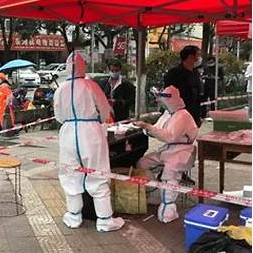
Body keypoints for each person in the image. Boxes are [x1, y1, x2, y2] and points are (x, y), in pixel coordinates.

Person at [54, 52, 125, 232]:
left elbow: (59, 116)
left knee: (70, 173)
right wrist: (98, 119)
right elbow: (104, 110)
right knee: (98, 173)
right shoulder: (90, 85)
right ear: (83, 66)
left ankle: (73, 216)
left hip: (68, 132)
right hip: (90, 132)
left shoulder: (60, 88)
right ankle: (104, 219)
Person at [135, 86, 198, 224]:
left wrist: (148, 127)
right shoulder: (168, 114)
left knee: (170, 177)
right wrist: (147, 129)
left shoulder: (183, 115)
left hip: (182, 151)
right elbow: (158, 129)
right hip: (168, 150)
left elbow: (169, 136)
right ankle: (155, 189)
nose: (160, 102)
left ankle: (168, 209)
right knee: (142, 163)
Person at [164, 45, 203, 127]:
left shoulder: (195, 73)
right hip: (179, 115)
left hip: (193, 114)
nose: (199, 58)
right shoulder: (174, 73)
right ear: (190, 57)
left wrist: (198, 117)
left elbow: (197, 94)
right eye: (198, 55)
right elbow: (168, 94)